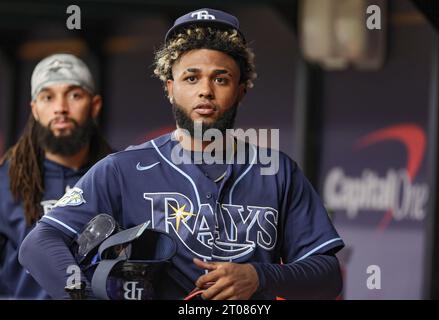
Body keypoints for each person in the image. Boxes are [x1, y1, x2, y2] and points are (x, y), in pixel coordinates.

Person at [19, 9, 344, 300]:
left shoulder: (278, 172)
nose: (205, 90)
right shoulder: (122, 169)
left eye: (221, 78)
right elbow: (39, 244)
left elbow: (327, 276)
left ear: (242, 90)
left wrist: (259, 277)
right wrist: (85, 296)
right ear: (169, 87)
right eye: (191, 77)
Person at [0, 53, 112, 299]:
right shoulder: (5, 182)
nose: (60, 108)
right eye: (47, 97)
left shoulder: (116, 176)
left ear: (94, 105)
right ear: (35, 109)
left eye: (74, 95)